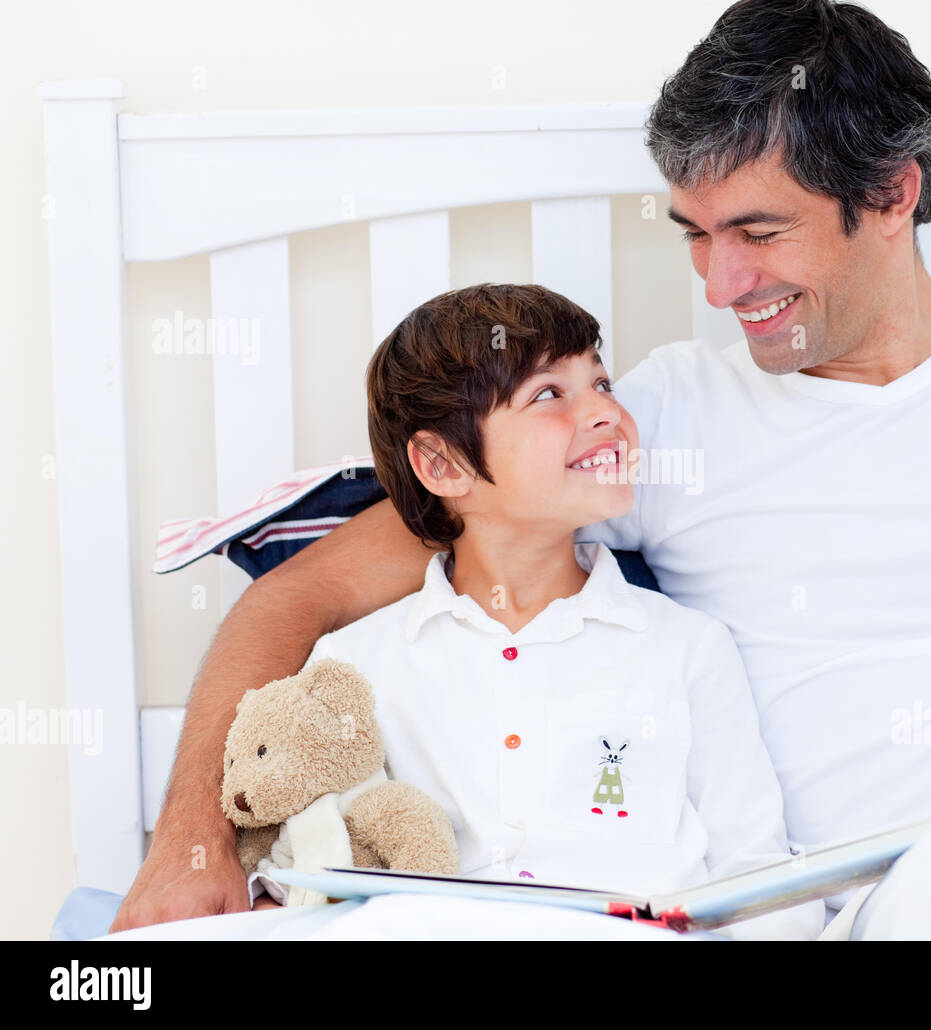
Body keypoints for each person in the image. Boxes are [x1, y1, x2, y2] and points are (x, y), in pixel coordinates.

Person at [110, 0, 931, 940]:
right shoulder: (653, 420)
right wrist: (191, 841)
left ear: (891, 194)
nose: (719, 283)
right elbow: (298, 598)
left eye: (759, 232)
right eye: (695, 235)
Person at [241, 283, 824, 939]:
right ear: (442, 463)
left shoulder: (685, 647)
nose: (606, 412)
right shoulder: (355, 665)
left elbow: (761, 879)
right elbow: (308, 874)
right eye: (550, 393)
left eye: (602, 383)